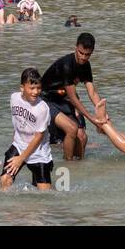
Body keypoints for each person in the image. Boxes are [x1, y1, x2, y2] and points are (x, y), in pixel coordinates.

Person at [41, 33, 105, 161]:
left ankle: (79, 166)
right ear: (76, 47)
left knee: (82, 137)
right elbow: (74, 99)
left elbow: (92, 92)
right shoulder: (67, 65)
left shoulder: (86, 66)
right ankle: (68, 164)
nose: (83, 57)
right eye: (81, 53)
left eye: (87, 55)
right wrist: (93, 120)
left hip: (64, 99)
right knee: (72, 129)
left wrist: (102, 114)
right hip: (47, 100)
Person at [2, 68, 53, 190]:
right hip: (19, 146)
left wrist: (21, 159)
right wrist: (15, 144)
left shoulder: (42, 109)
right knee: (5, 179)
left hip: (39, 152)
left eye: (38, 88)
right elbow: (17, 121)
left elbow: (38, 137)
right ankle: (5, 208)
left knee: (45, 194)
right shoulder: (14, 98)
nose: (36, 92)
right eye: (32, 88)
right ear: (22, 88)